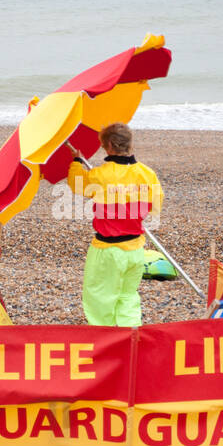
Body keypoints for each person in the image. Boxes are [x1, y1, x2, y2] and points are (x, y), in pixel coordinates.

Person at [66, 123, 164, 326]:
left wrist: (77, 162)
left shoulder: (101, 175)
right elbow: (156, 205)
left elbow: (77, 184)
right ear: (129, 143)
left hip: (108, 250)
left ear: (108, 145)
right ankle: (130, 334)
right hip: (135, 249)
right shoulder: (147, 173)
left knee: (99, 297)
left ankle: (106, 340)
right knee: (127, 295)